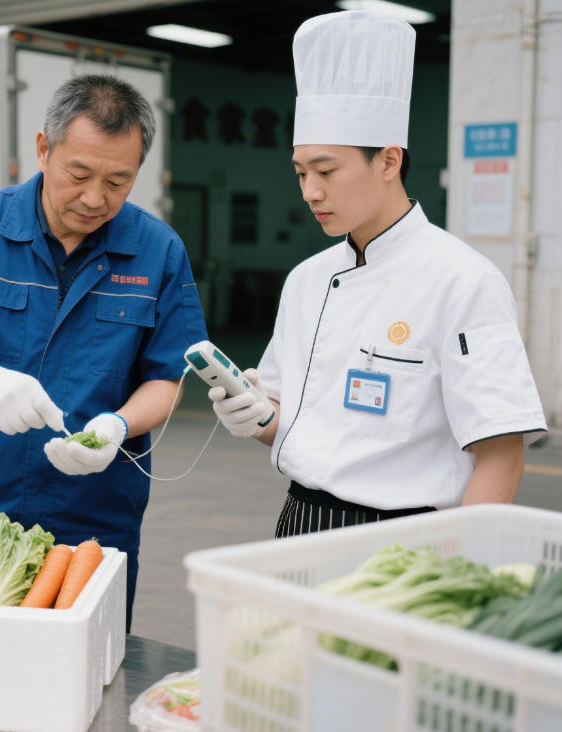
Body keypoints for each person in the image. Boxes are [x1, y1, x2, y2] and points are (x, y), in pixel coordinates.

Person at [209, 10, 547, 537]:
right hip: (299, 522)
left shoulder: (462, 280)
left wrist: (464, 568)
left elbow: (501, 455)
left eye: (326, 171)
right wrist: (254, 414)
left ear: (388, 161)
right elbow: (290, 424)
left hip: (406, 539)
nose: (310, 192)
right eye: (300, 173)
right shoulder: (306, 280)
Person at [0, 74, 208, 627]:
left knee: (84, 681)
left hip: (97, 521)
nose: (94, 198)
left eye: (118, 181)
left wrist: (117, 427)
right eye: (78, 174)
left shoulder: (158, 250)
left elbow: (168, 378)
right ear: (43, 149)